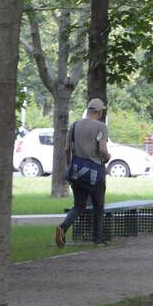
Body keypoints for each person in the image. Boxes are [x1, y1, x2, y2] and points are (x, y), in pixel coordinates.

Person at [55, 99, 112, 247]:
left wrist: (70, 168)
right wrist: (107, 157)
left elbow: (67, 149)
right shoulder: (101, 126)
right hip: (95, 172)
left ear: (88, 110)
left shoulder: (74, 126)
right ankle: (97, 239)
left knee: (79, 205)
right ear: (99, 112)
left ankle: (62, 227)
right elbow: (102, 148)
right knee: (98, 205)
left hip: (76, 172)